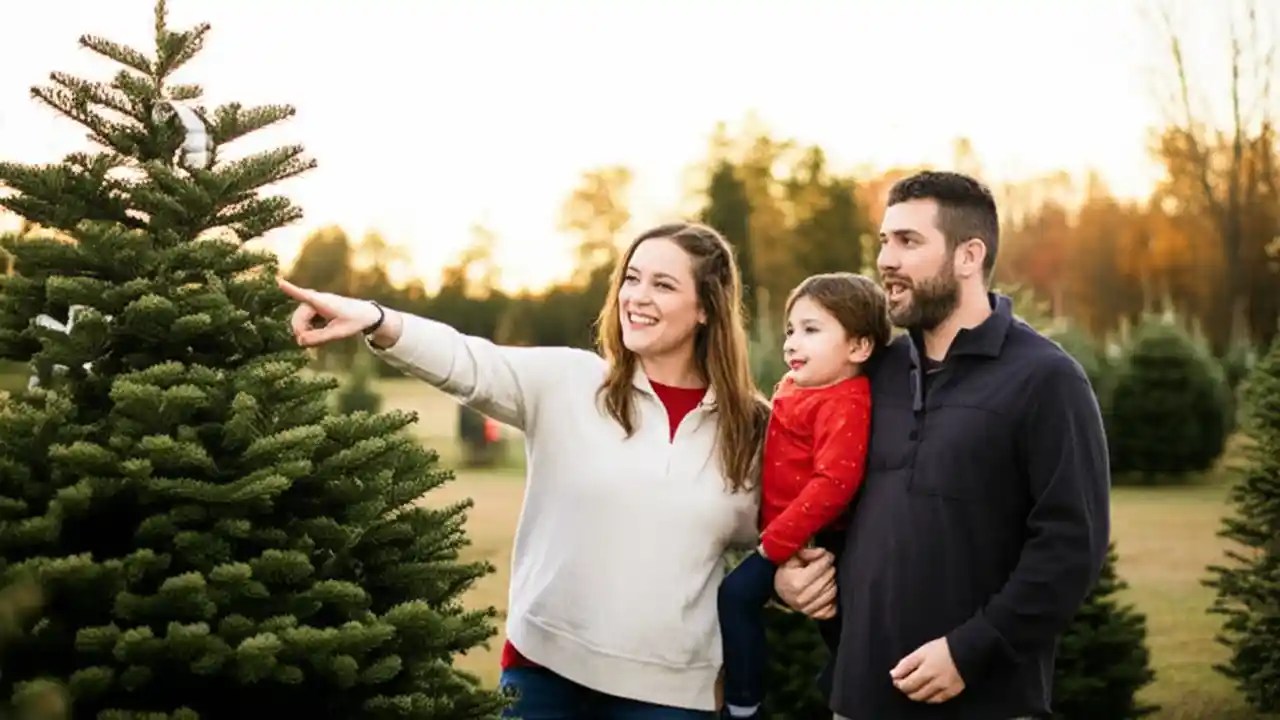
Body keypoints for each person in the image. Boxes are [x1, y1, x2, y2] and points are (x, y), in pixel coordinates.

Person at [277, 221, 771, 719]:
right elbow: (466, 361)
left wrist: (789, 573)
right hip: (542, 676)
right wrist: (373, 318)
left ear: (706, 308)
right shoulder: (570, 382)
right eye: (632, 278)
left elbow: (791, 529)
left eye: (663, 285)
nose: (637, 297)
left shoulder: (751, 427)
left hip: (671, 697)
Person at [773, 170, 1111, 719]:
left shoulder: (1046, 379)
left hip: (985, 700)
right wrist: (788, 576)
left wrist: (971, 650)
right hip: (858, 698)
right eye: (885, 241)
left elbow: (1072, 545)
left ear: (968, 255)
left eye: (908, 242)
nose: (886, 259)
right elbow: (820, 496)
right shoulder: (869, 375)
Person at [716, 272, 889, 719]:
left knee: (737, 597)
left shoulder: (845, 402)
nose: (793, 343)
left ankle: (744, 706)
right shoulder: (802, 387)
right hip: (788, 536)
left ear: (859, 348)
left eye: (811, 330)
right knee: (836, 640)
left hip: (806, 537)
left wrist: (774, 544)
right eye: (791, 331)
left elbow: (835, 483)